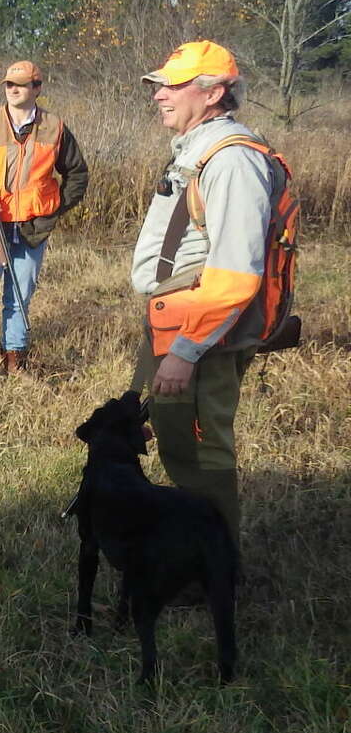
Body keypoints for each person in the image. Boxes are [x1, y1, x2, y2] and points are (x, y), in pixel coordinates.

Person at [130, 40, 289, 543]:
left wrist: (185, 350)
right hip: (180, 321)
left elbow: (236, 271)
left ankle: (213, 570)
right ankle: (196, 555)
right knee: (176, 438)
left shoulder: (233, 160)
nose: (160, 94)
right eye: (160, 85)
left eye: (173, 85)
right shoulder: (202, 151)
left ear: (215, 91)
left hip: (202, 335)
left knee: (201, 449)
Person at [0, 59, 90, 387]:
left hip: (31, 227)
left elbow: (77, 174)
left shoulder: (55, 128)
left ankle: (15, 362)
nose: (13, 90)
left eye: (21, 85)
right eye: (9, 85)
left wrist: (53, 207)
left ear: (37, 89)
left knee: (20, 297)